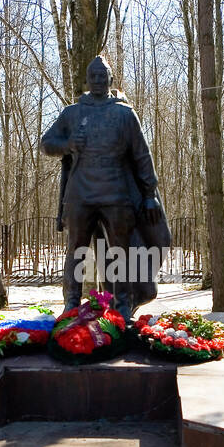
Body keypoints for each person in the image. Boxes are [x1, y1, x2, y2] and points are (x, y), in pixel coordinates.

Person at [41, 56, 167, 318]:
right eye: (93, 76)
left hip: (116, 195)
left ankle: (122, 306)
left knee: (120, 253)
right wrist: (67, 145)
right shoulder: (72, 113)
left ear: (110, 80)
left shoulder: (124, 114)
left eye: (103, 76)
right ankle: (71, 305)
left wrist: (149, 194)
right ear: (87, 80)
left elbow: (142, 157)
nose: (98, 80)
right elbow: (46, 143)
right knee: (76, 252)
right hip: (80, 195)